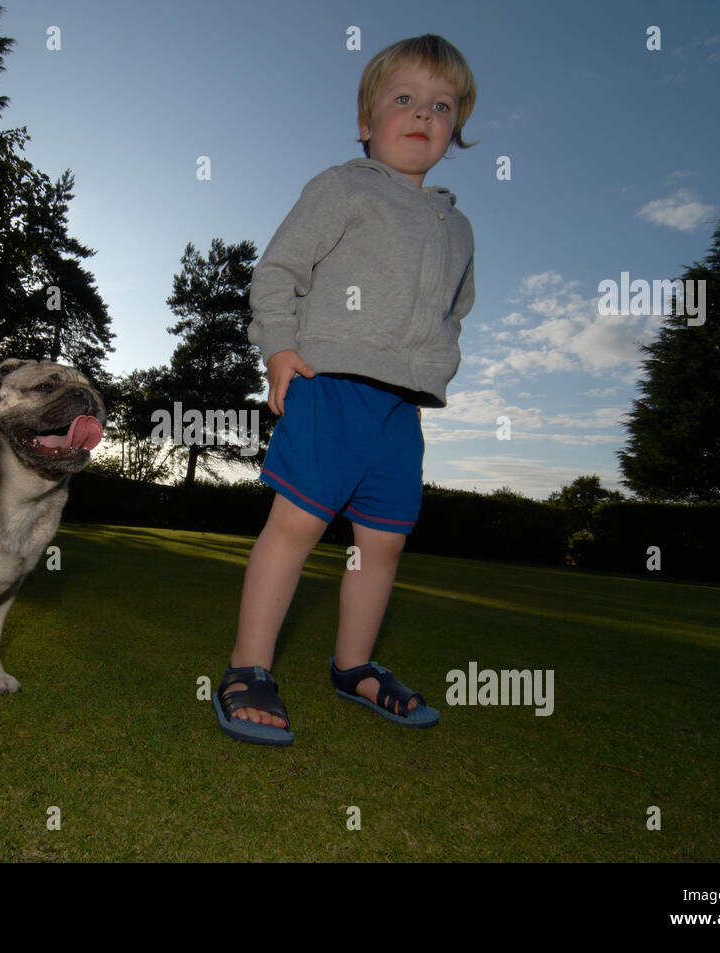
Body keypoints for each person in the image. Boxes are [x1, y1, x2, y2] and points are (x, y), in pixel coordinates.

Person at [214, 34, 478, 745]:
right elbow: (277, 272)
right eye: (403, 99)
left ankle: (354, 665)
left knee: (383, 544)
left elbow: (457, 306)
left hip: (401, 410)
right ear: (367, 122)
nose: (422, 114)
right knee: (296, 525)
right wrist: (279, 350)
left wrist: (435, 359)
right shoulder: (342, 186)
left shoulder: (459, 229)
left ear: (456, 129)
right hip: (330, 387)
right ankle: (248, 668)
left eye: (441, 105)